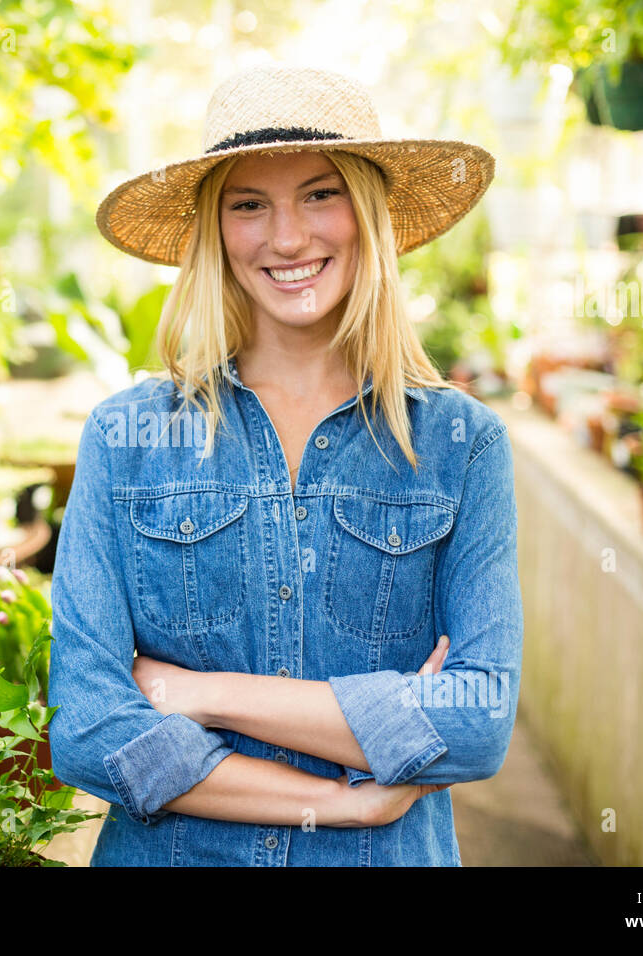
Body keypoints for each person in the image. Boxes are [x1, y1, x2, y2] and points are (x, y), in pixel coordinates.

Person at [47, 63, 523, 866]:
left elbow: (476, 722)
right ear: (215, 229)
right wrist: (343, 804)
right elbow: (91, 731)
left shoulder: (461, 445)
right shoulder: (125, 438)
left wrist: (196, 694)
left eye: (319, 194)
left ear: (367, 212)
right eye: (249, 204)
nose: (289, 237)